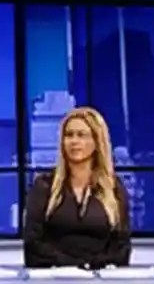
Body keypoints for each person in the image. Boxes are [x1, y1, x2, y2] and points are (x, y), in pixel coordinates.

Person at [22, 106, 131, 269]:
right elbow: (32, 245)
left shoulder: (113, 188)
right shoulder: (45, 186)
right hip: (54, 281)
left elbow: (121, 248)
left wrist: (91, 267)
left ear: (97, 141)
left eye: (82, 135)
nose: (74, 141)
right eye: (69, 135)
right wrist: (73, 267)